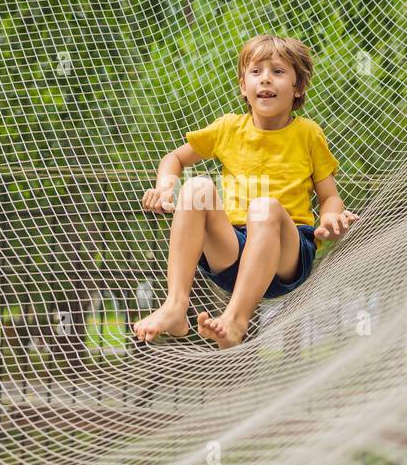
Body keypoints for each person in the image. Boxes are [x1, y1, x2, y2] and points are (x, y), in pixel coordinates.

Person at [133, 34, 359, 348]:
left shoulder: (308, 134)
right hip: (233, 253)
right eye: (256, 72)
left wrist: (331, 217)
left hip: (287, 253)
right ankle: (175, 305)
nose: (265, 79)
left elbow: (329, 196)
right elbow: (174, 158)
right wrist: (165, 187)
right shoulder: (228, 128)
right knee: (197, 188)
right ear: (243, 86)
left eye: (278, 72)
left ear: (298, 87)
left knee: (264, 208)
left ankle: (235, 321)